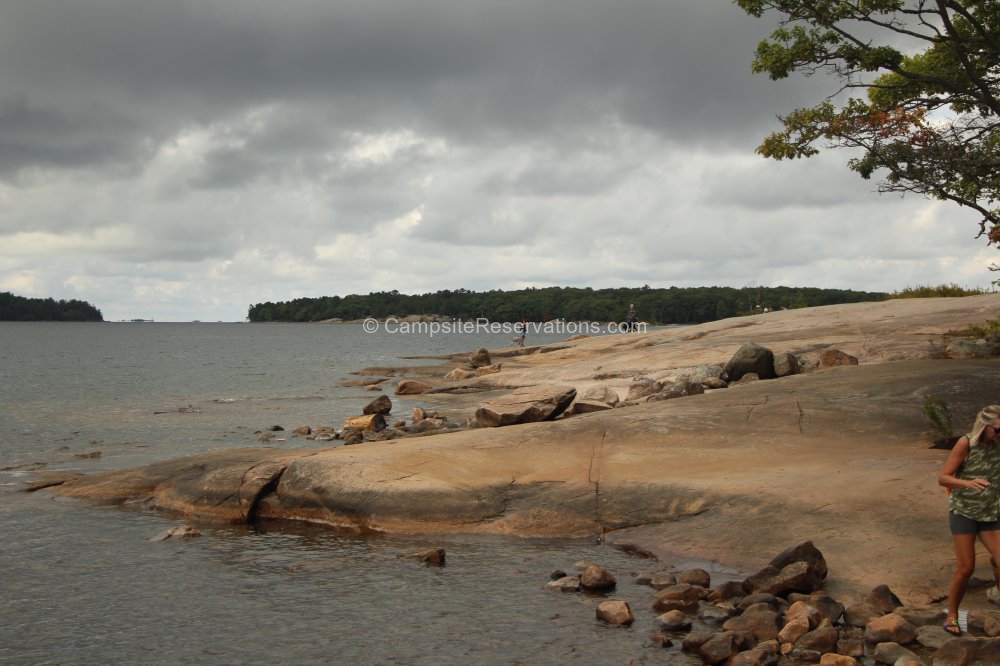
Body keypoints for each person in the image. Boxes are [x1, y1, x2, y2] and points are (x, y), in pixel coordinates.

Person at [938, 405, 1000, 635]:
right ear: (985, 427)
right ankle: (952, 615)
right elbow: (943, 478)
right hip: (964, 512)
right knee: (966, 567)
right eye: (998, 430)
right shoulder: (966, 444)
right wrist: (968, 483)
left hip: (990, 512)